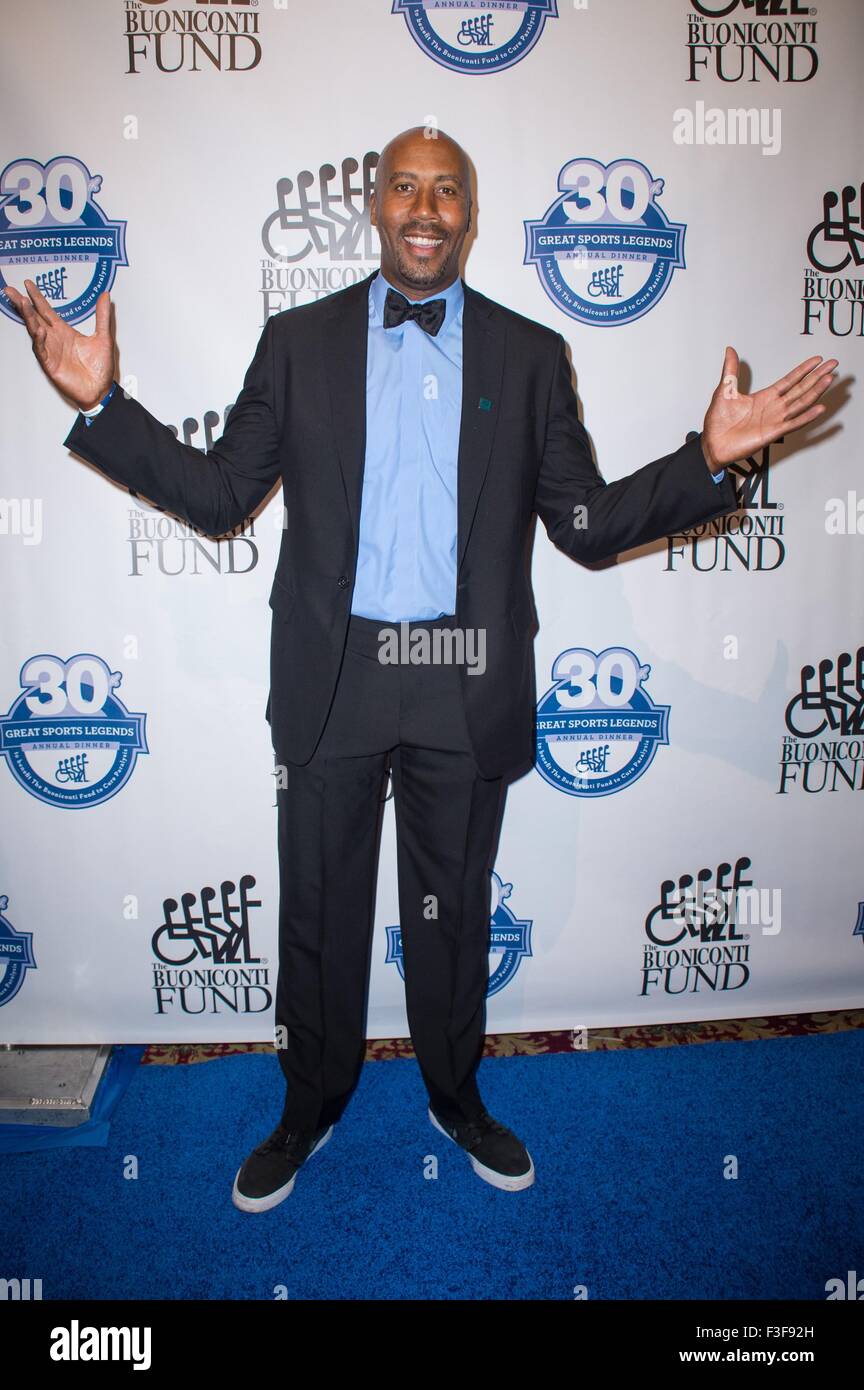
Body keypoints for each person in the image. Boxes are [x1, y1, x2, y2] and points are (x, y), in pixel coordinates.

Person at [3, 127, 838, 1213]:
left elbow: (584, 526)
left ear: (472, 213)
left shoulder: (529, 355)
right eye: (406, 185)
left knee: (450, 908)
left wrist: (708, 458)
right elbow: (216, 500)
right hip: (334, 673)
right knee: (318, 911)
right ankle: (307, 1108)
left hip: (461, 672)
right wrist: (101, 407)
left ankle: (458, 1095)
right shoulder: (297, 343)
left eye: (448, 189)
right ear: (375, 205)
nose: (426, 206)